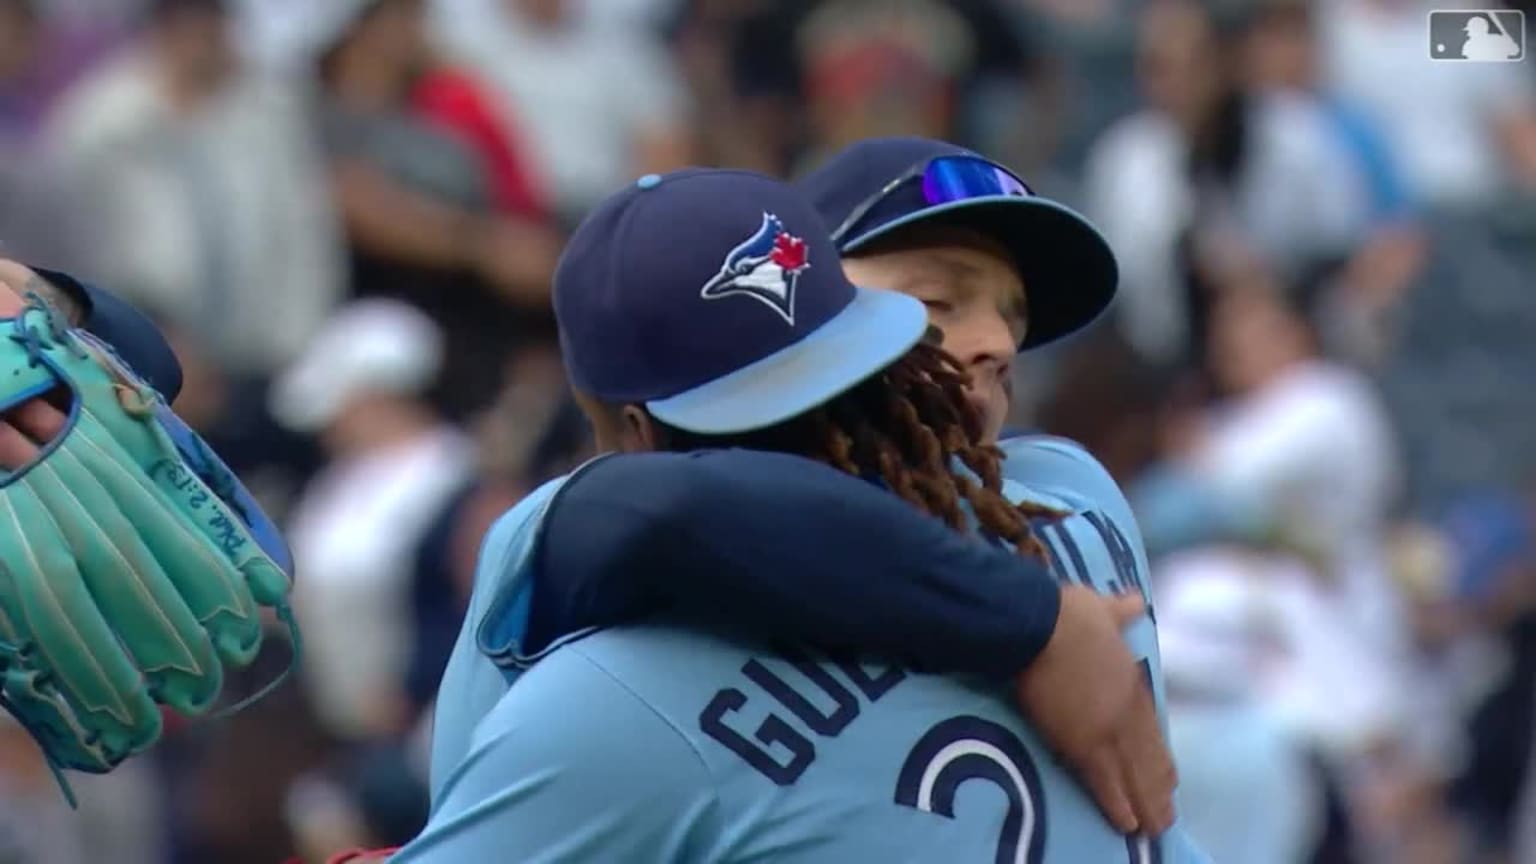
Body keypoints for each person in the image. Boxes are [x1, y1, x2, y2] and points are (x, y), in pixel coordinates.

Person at [394, 168, 1203, 861]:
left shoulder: (613, 699)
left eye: (1009, 315)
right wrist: (1033, 617)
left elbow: (647, 512)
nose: (993, 340)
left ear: (631, 431)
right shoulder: (1067, 500)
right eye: (939, 300)